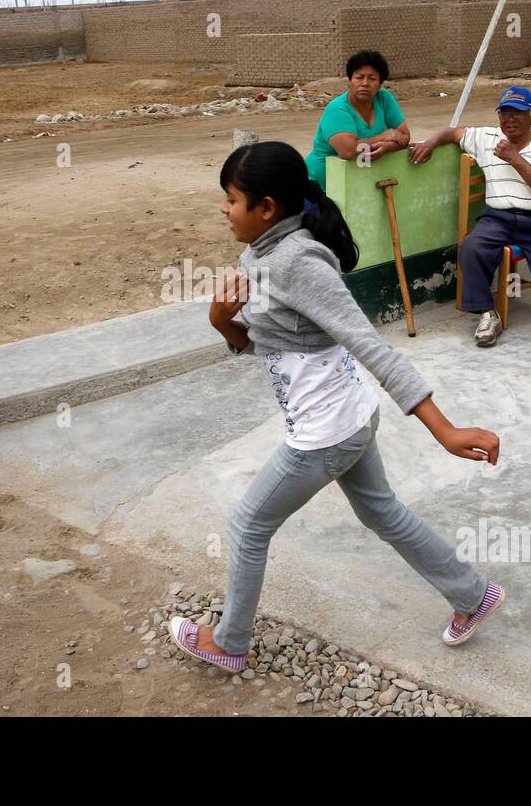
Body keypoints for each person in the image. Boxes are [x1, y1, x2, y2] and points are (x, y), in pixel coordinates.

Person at [167, 142, 505, 674]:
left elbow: (371, 345)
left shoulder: (299, 264)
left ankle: (230, 643)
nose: (224, 210)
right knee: (381, 511)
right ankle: (473, 594)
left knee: (248, 525)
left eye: (231, 199)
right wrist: (221, 321)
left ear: (267, 207)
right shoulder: (258, 254)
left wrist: (444, 430)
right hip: (349, 417)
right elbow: (272, 341)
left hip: (326, 434)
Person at [410, 86, 531, 362]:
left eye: (518, 113)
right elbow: (452, 132)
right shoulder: (487, 137)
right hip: (498, 217)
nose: (509, 119)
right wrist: (429, 144)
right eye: (504, 113)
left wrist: (515, 158)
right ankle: (488, 315)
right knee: (472, 247)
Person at [304, 50, 411, 190]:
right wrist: (384, 137)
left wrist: (388, 147)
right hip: (320, 185)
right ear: (350, 81)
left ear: (380, 84)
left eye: (372, 78)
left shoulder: (384, 98)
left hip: (355, 181)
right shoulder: (337, 109)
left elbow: (404, 137)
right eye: (359, 77)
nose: (365, 83)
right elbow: (348, 151)